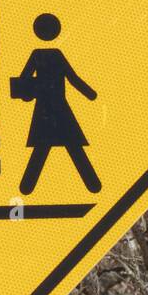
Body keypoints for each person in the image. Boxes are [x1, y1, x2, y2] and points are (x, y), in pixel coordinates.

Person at [11, 13, 101, 195]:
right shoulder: (50, 54)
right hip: (56, 107)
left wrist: (91, 94)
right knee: (64, 144)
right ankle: (93, 185)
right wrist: (90, 94)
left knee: (56, 145)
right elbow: (72, 78)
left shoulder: (39, 55)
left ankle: (93, 185)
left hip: (49, 107)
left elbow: (25, 80)